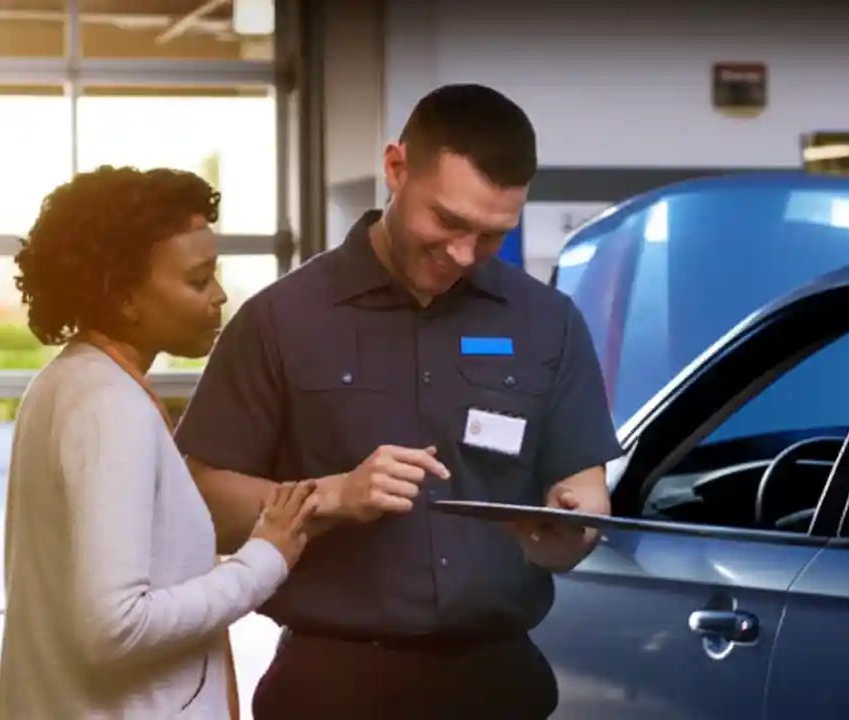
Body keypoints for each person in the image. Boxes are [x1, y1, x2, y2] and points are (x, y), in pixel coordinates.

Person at [175, 83, 622, 720]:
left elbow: (583, 498)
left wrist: (567, 529)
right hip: (333, 683)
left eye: (492, 235)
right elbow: (198, 502)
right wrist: (333, 496)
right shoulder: (281, 319)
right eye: (448, 221)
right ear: (395, 168)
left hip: (497, 681)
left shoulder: (549, 323)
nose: (463, 254)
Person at [0, 165, 318, 720]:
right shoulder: (108, 405)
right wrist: (264, 560)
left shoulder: (66, 383)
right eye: (197, 281)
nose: (218, 296)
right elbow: (116, 627)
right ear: (123, 297)